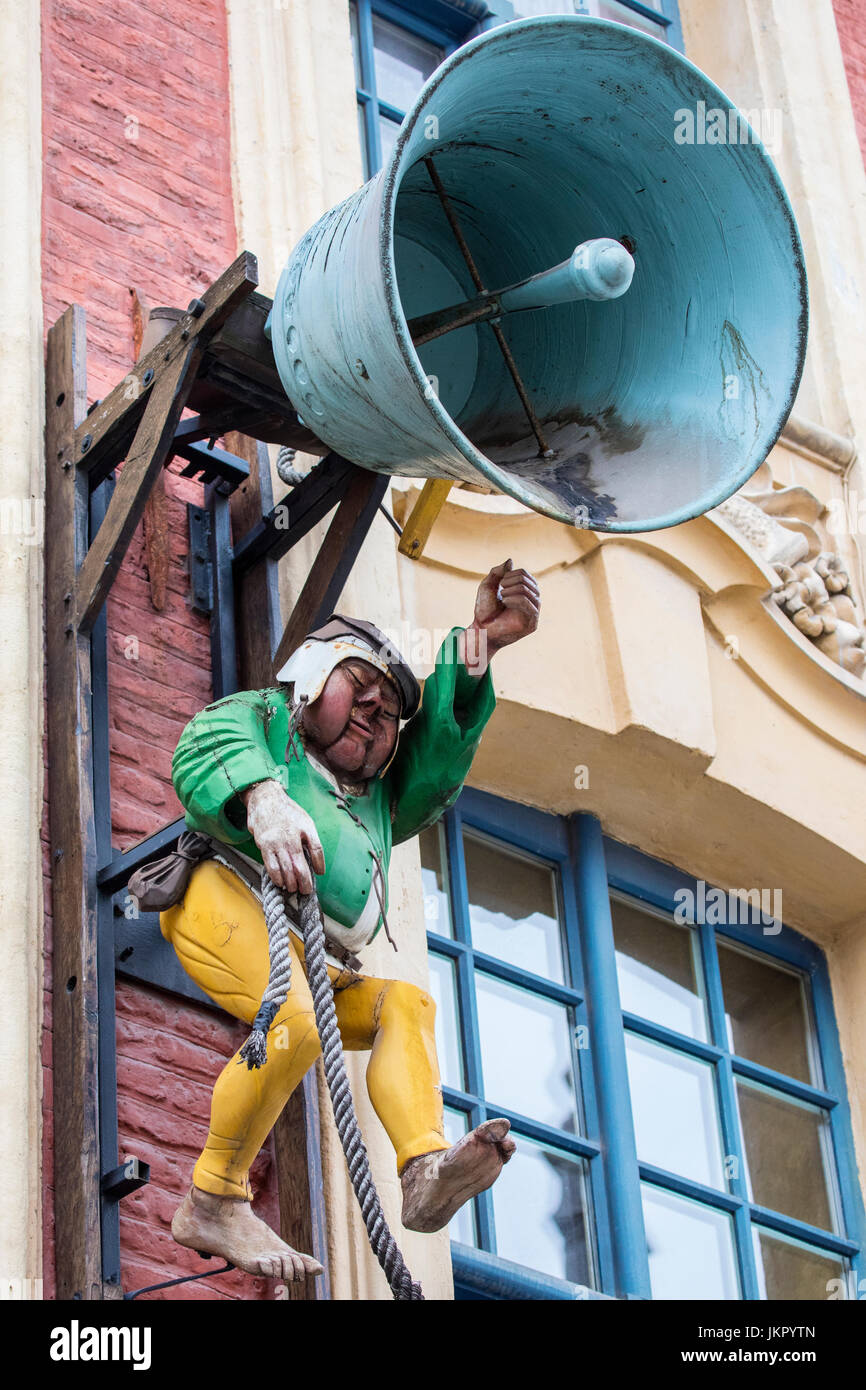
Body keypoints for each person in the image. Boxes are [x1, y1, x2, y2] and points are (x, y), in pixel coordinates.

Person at [146, 558, 540, 1282]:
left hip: (309, 952)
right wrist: (262, 800)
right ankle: (213, 1197)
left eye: (388, 712)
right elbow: (208, 744)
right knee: (292, 1016)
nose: (373, 711)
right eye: (357, 687)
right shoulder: (269, 721)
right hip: (222, 894)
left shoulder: (383, 801)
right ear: (309, 679)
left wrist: (480, 645)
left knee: (406, 1006)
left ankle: (423, 1169)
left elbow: (439, 756)